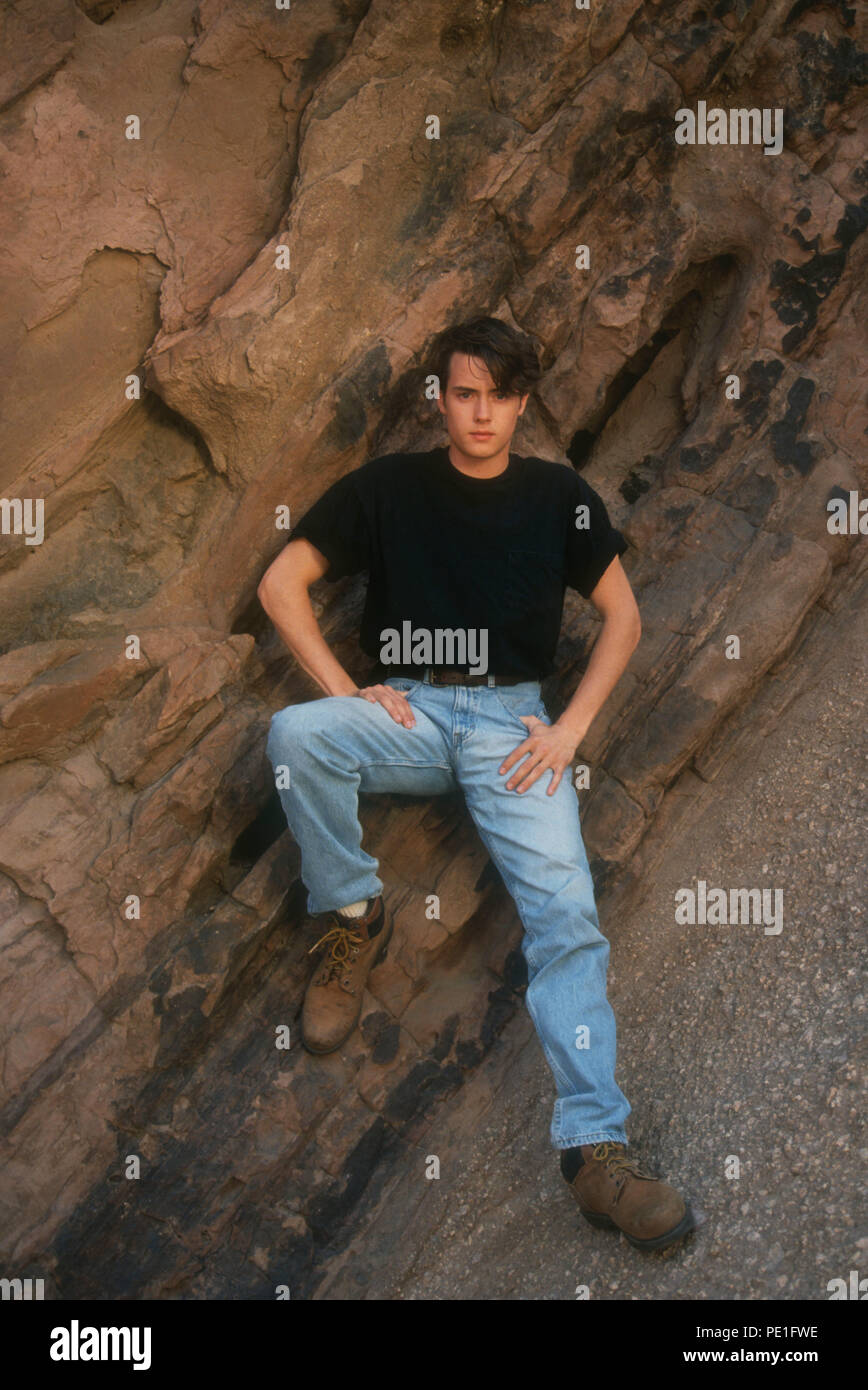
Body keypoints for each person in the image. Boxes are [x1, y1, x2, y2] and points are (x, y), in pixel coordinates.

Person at [258, 316, 695, 1252]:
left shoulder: (558, 497)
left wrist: (570, 730)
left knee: (567, 911)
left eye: (498, 395)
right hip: (407, 711)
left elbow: (623, 616)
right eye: (463, 393)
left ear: (523, 402)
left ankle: (594, 1150)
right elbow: (281, 583)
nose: (480, 412)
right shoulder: (387, 488)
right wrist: (349, 691)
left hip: (512, 729)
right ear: (440, 398)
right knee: (296, 733)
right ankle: (350, 915)